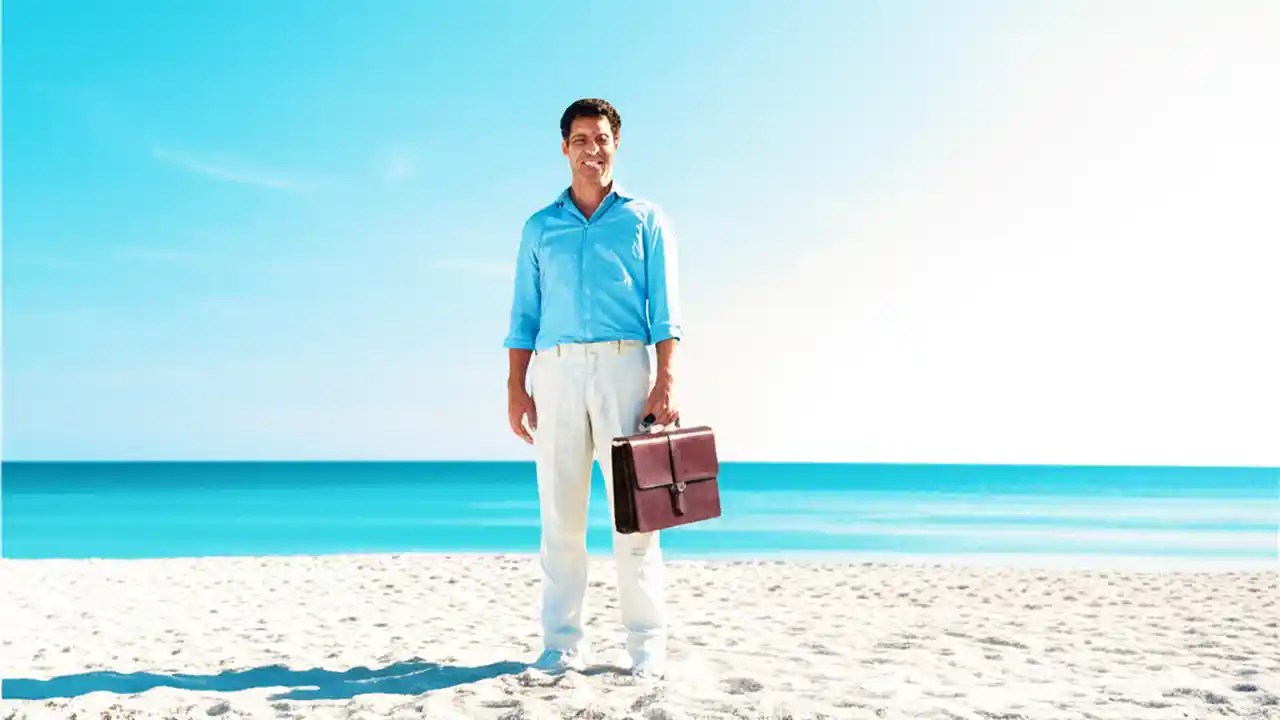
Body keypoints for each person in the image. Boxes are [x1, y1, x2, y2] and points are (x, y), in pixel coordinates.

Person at [503, 98, 682, 680]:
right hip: (555, 374)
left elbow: (666, 311)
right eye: (580, 139)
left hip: (625, 369)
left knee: (637, 518)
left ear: (616, 144)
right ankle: (561, 646)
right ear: (565, 148)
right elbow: (523, 316)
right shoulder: (539, 227)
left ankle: (647, 647)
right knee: (560, 517)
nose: (592, 149)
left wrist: (666, 379)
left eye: (601, 138)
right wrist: (516, 387)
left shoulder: (645, 219)